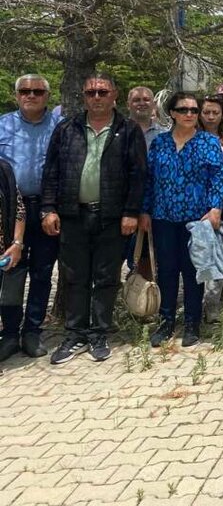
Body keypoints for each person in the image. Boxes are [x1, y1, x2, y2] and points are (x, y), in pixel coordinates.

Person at [40, 73, 146, 364]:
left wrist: (131, 212)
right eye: (91, 92)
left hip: (111, 216)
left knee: (106, 277)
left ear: (114, 95)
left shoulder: (128, 130)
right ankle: (75, 334)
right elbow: (51, 171)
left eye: (102, 92)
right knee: (74, 277)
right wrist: (48, 208)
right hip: (72, 215)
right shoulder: (67, 128)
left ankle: (99, 333)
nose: (96, 97)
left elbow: (138, 175)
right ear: (84, 96)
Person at [141, 92, 223, 348]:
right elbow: (149, 180)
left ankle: (192, 323)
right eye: (183, 110)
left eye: (193, 110)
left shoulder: (208, 142)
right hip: (163, 216)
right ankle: (166, 321)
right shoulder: (160, 143)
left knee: (192, 272)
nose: (189, 114)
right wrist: (145, 211)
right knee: (166, 271)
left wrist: (215, 208)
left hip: (196, 219)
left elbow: (218, 178)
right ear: (172, 113)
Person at [0, 74, 60, 361]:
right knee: (11, 271)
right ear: (17, 95)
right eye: (25, 91)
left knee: (42, 272)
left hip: (47, 208)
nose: (31, 95)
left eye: (37, 91)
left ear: (47, 96)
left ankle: (32, 331)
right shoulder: (3, 125)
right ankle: (10, 333)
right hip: (11, 210)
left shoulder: (59, 126)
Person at [0, 156, 25, 373]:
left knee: (7, 300)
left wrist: (17, 243)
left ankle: (10, 338)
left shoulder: (3, 169)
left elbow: (19, 208)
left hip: (3, 250)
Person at [199, 95, 223, 162]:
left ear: (222, 116)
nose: (211, 117)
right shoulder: (191, 139)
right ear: (199, 115)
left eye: (216, 113)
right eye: (206, 113)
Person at [127, 86, 167, 150]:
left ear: (154, 104)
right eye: (136, 100)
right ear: (128, 105)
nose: (142, 103)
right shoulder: (118, 131)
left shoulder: (165, 134)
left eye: (146, 100)